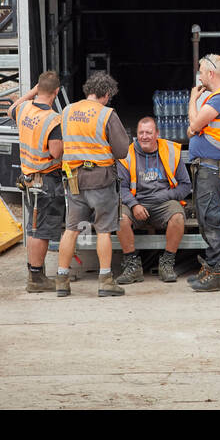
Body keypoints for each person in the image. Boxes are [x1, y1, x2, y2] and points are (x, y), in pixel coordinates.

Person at [56, 72, 131, 297]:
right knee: (104, 231)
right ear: (106, 94)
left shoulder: (67, 111)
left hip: (73, 180)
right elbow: (122, 151)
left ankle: (61, 280)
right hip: (100, 179)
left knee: (71, 230)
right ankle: (105, 280)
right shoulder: (106, 114)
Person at [185, 54, 220, 292]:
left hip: (211, 167)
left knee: (212, 217)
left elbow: (193, 127)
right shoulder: (219, 98)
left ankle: (219, 271)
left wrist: (192, 100)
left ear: (210, 74)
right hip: (208, 166)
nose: (198, 76)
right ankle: (212, 266)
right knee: (205, 216)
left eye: (200, 71)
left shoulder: (219, 99)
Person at [115, 117, 191, 285]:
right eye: (141, 133)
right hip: (135, 203)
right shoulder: (126, 154)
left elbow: (186, 185)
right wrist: (134, 205)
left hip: (163, 203)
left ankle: (167, 263)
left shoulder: (171, 151)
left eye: (148, 132)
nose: (144, 136)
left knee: (178, 215)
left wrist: (164, 196)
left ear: (157, 134)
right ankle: (132, 265)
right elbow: (121, 187)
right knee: (119, 216)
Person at [9, 71, 65, 293]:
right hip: (46, 181)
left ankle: (36, 273)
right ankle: (35, 278)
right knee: (40, 230)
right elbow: (55, 152)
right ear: (57, 92)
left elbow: (11, 109)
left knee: (34, 228)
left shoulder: (24, 109)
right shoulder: (53, 119)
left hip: (30, 179)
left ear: (37, 89)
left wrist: (32, 92)